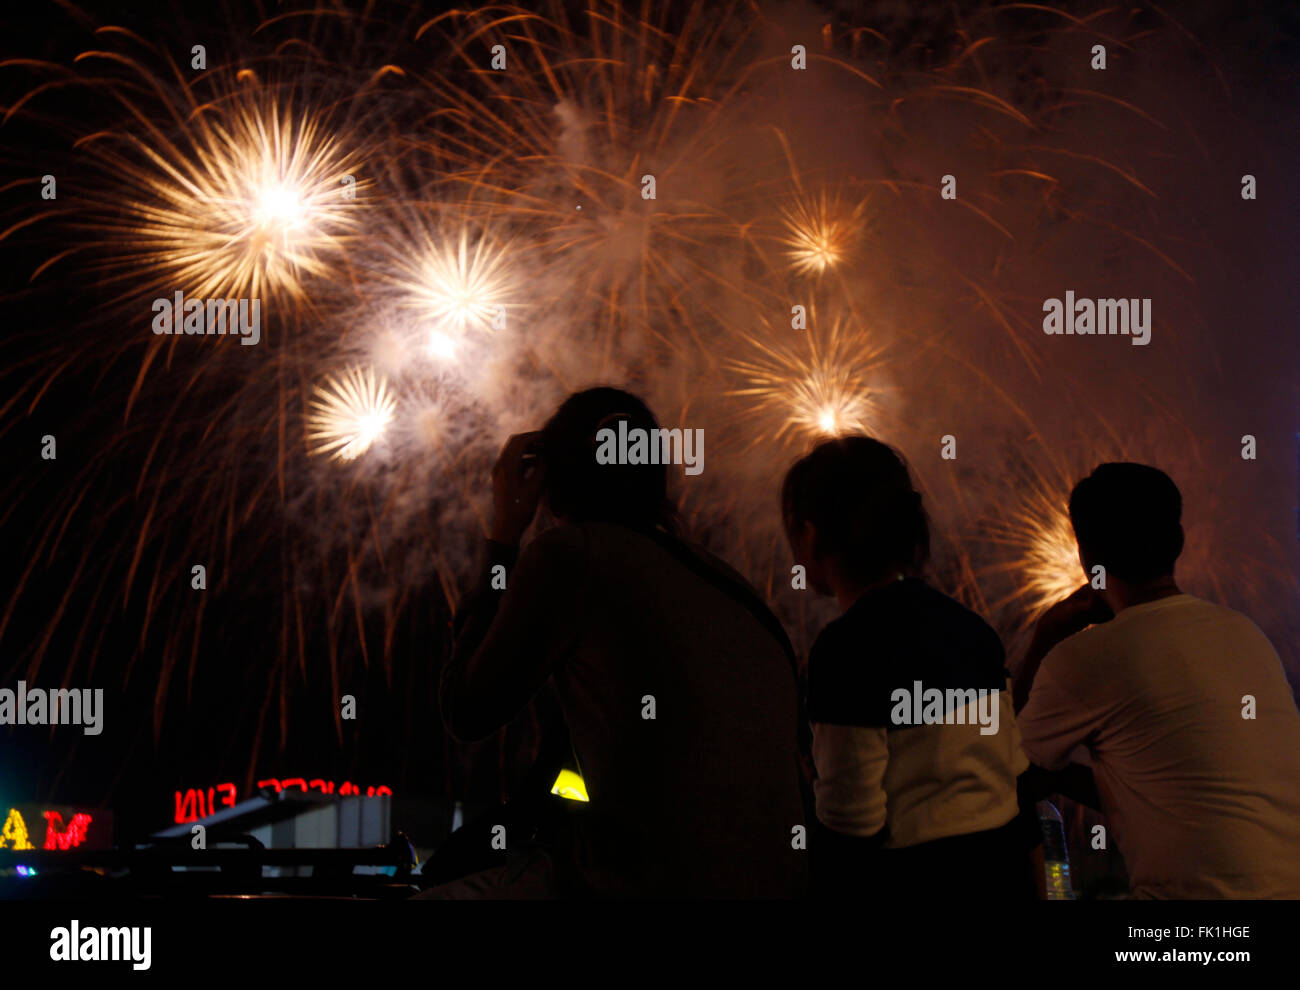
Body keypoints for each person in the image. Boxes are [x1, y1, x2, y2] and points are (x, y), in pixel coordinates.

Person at [437, 387, 809, 898]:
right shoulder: (735, 589)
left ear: (552, 478)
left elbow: (467, 708)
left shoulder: (572, 555)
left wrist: (504, 533)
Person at [1014, 462, 1300, 898]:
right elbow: (1186, 787)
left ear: (1085, 556)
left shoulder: (1089, 657)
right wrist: (1059, 778)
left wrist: (1046, 635)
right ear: (1178, 542)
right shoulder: (1245, 632)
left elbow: (1003, 763)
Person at [783, 436, 1038, 900]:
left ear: (812, 534)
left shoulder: (845, 650)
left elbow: (851, 828)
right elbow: (1015, 778)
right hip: (1002, 875)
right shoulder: (973, 630)